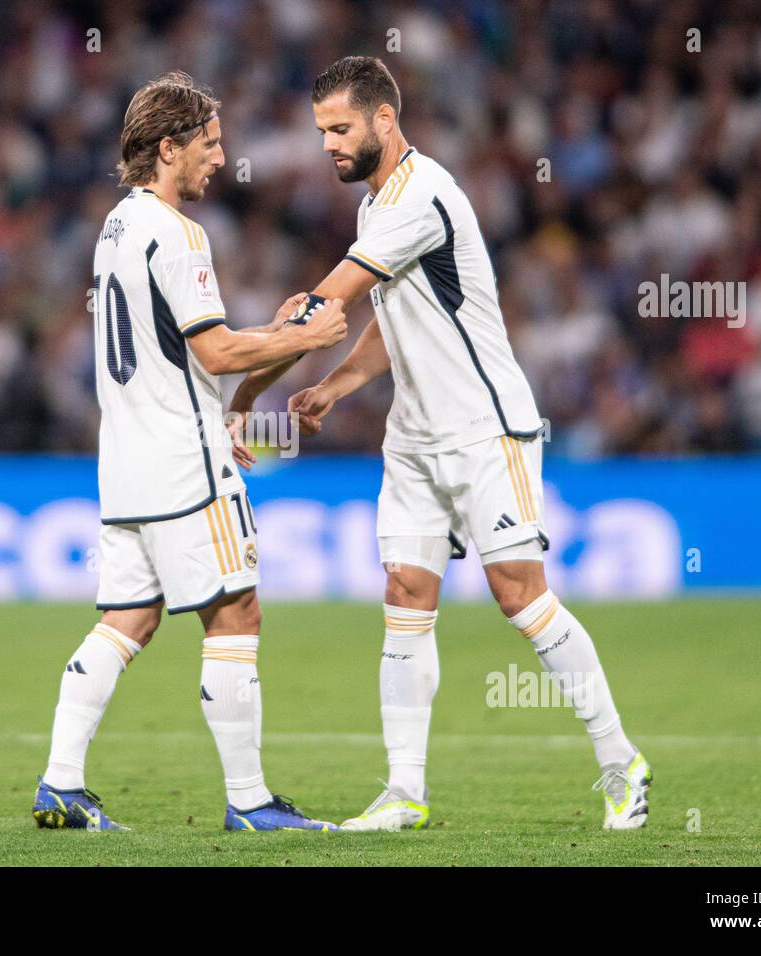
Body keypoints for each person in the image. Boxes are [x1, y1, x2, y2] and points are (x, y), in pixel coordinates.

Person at [230, 57, 651, 831]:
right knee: (404, 595)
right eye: (320, 130)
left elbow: (333, 301)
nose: (326, 144)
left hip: (485, 430)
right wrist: (335, 387)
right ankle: (405, 791)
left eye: (339, 128)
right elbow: (393, 323)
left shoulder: (424, 194)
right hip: (415, 439)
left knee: (519, 596)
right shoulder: (374, 210)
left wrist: (249, 385)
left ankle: (621, 762)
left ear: (384, 121)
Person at [32, 72, 348, 831]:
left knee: (127, 620)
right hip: (183, 459)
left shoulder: (116, 226)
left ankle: (60, 785)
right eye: (209, 143)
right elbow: (212, 351)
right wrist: (303, 337)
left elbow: (187, 348)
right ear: (168, 147)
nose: (221, 158)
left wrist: (269, 339)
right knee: (236, 614)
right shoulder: (179, 232)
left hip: (125, 462)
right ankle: (249, 802)